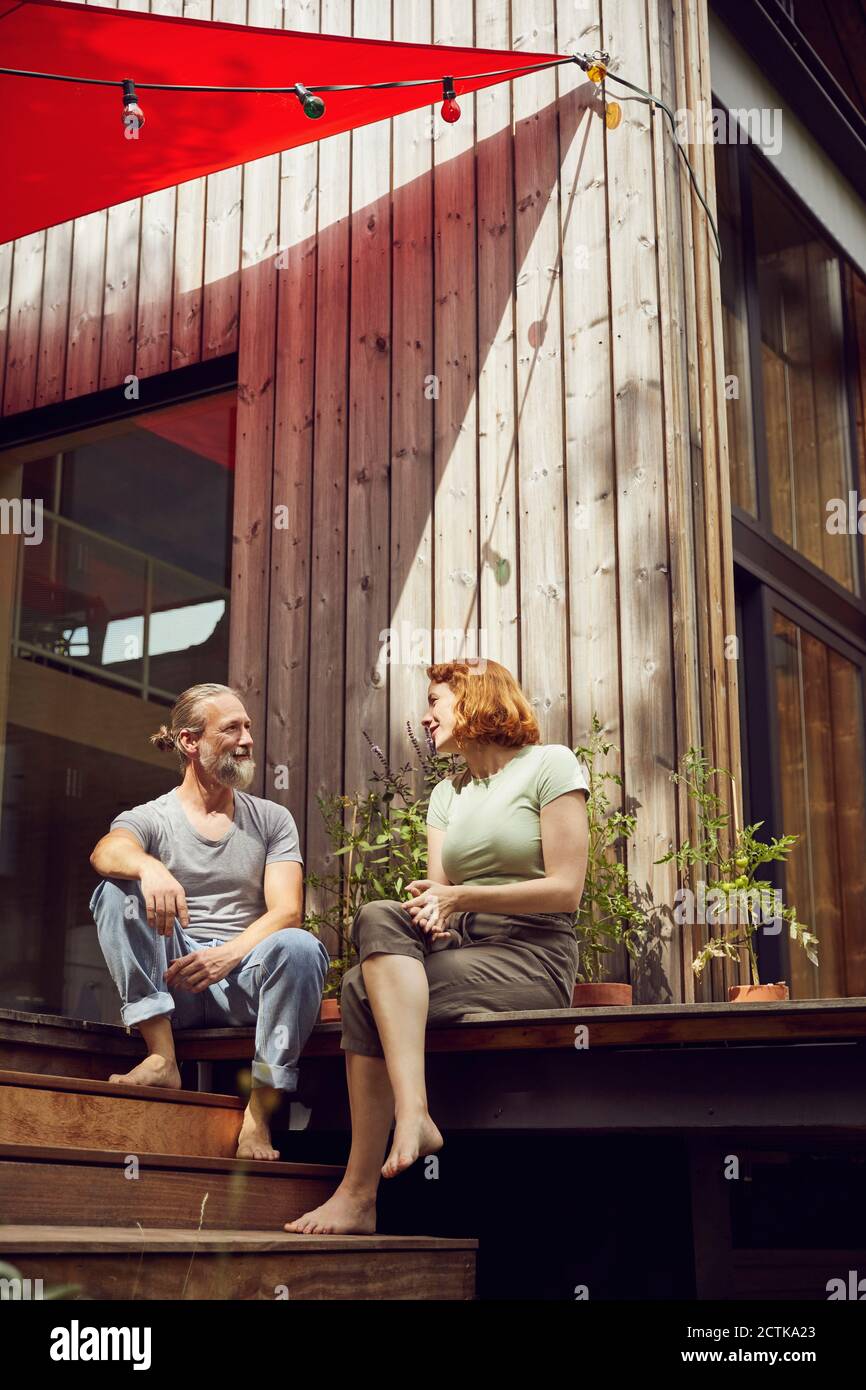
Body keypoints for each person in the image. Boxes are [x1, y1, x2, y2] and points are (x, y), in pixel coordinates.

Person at [286, 657, 590, 1234]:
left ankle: (360, 1190)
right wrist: (436, 908)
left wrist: (459, 896)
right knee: (377, 920)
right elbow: (444, 903)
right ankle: (411, 1119)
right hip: (464, 949)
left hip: (533, 955)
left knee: (358, 990)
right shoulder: (447, 795)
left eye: (434, 702)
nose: (425, 717)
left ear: (474, 700)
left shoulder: (550, 765)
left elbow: (566, 890)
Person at [88, 682, 329, 1161]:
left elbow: (287, 911)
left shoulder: (272, 819)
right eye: (232, 728)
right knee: (117, 892)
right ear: (189, 742)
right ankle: (161, 1056)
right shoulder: (152, 817)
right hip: (172, 981)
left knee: (300, 946)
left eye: (249, 727)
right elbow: (105, 852)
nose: (247, 739)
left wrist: (227, 955)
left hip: (242, 979)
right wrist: (149, 866)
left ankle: (258, 1119)